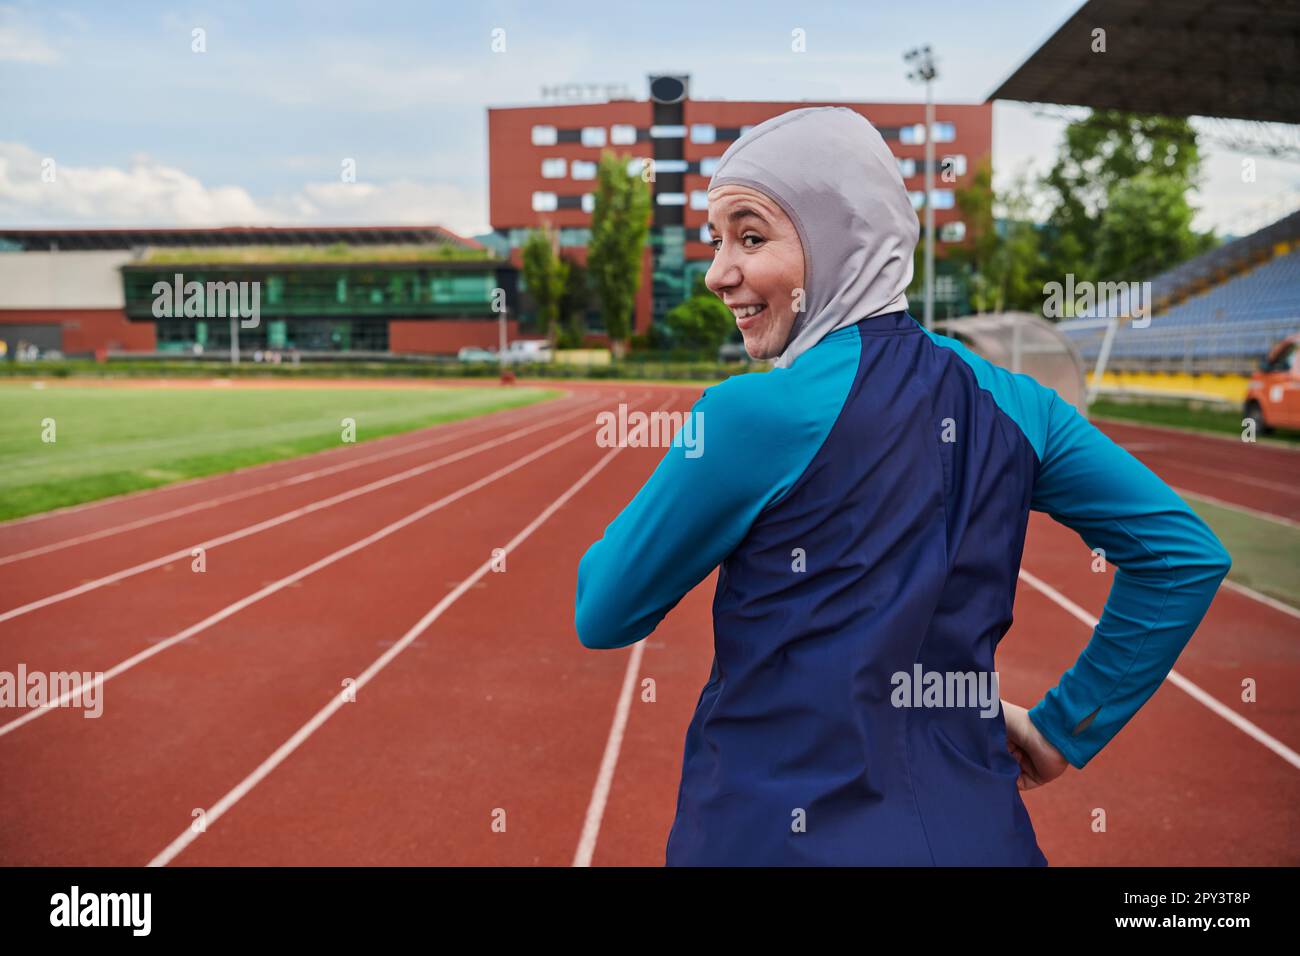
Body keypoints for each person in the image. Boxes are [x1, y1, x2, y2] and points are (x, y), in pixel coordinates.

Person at [573, 106, 1232, 866]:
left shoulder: (748, 414)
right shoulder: (1019, 402)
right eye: (715, 241)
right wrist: (1065, 726)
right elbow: (1182, 554)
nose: (720, 271)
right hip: (981, 838)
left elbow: (605, 610)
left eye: (751, 237)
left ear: (838, 237)